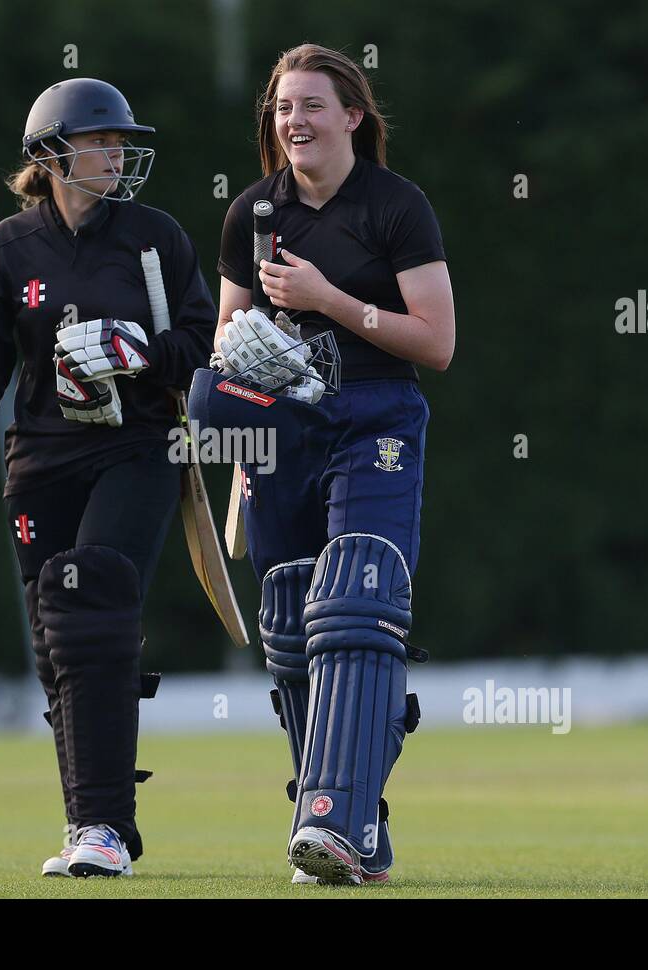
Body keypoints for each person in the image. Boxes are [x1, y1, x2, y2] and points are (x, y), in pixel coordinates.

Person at [0, 78, 215, 877]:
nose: (116, 153)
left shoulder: (155, 238)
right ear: (50, 154)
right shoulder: (7, 248)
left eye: (121, 141)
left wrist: (142, 351)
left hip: (136, 447)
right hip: (40, 461)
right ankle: (91, 828)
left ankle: (101, 827)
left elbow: (203, 345)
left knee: (91, 591)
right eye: (100, 140)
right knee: (58, 643)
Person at [209, 43, 456, 884]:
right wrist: (241, 385)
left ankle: (331, 821)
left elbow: (437, 340)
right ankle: (355, 819)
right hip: (280, 432)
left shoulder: (395, 205)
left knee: (356, 598)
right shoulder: (252, 212)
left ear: (352, 116)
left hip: (376, 417)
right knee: (290, 622)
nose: (295, 121)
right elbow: (226, 339)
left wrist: (329, 302)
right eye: (283, 107)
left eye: (313, 105)